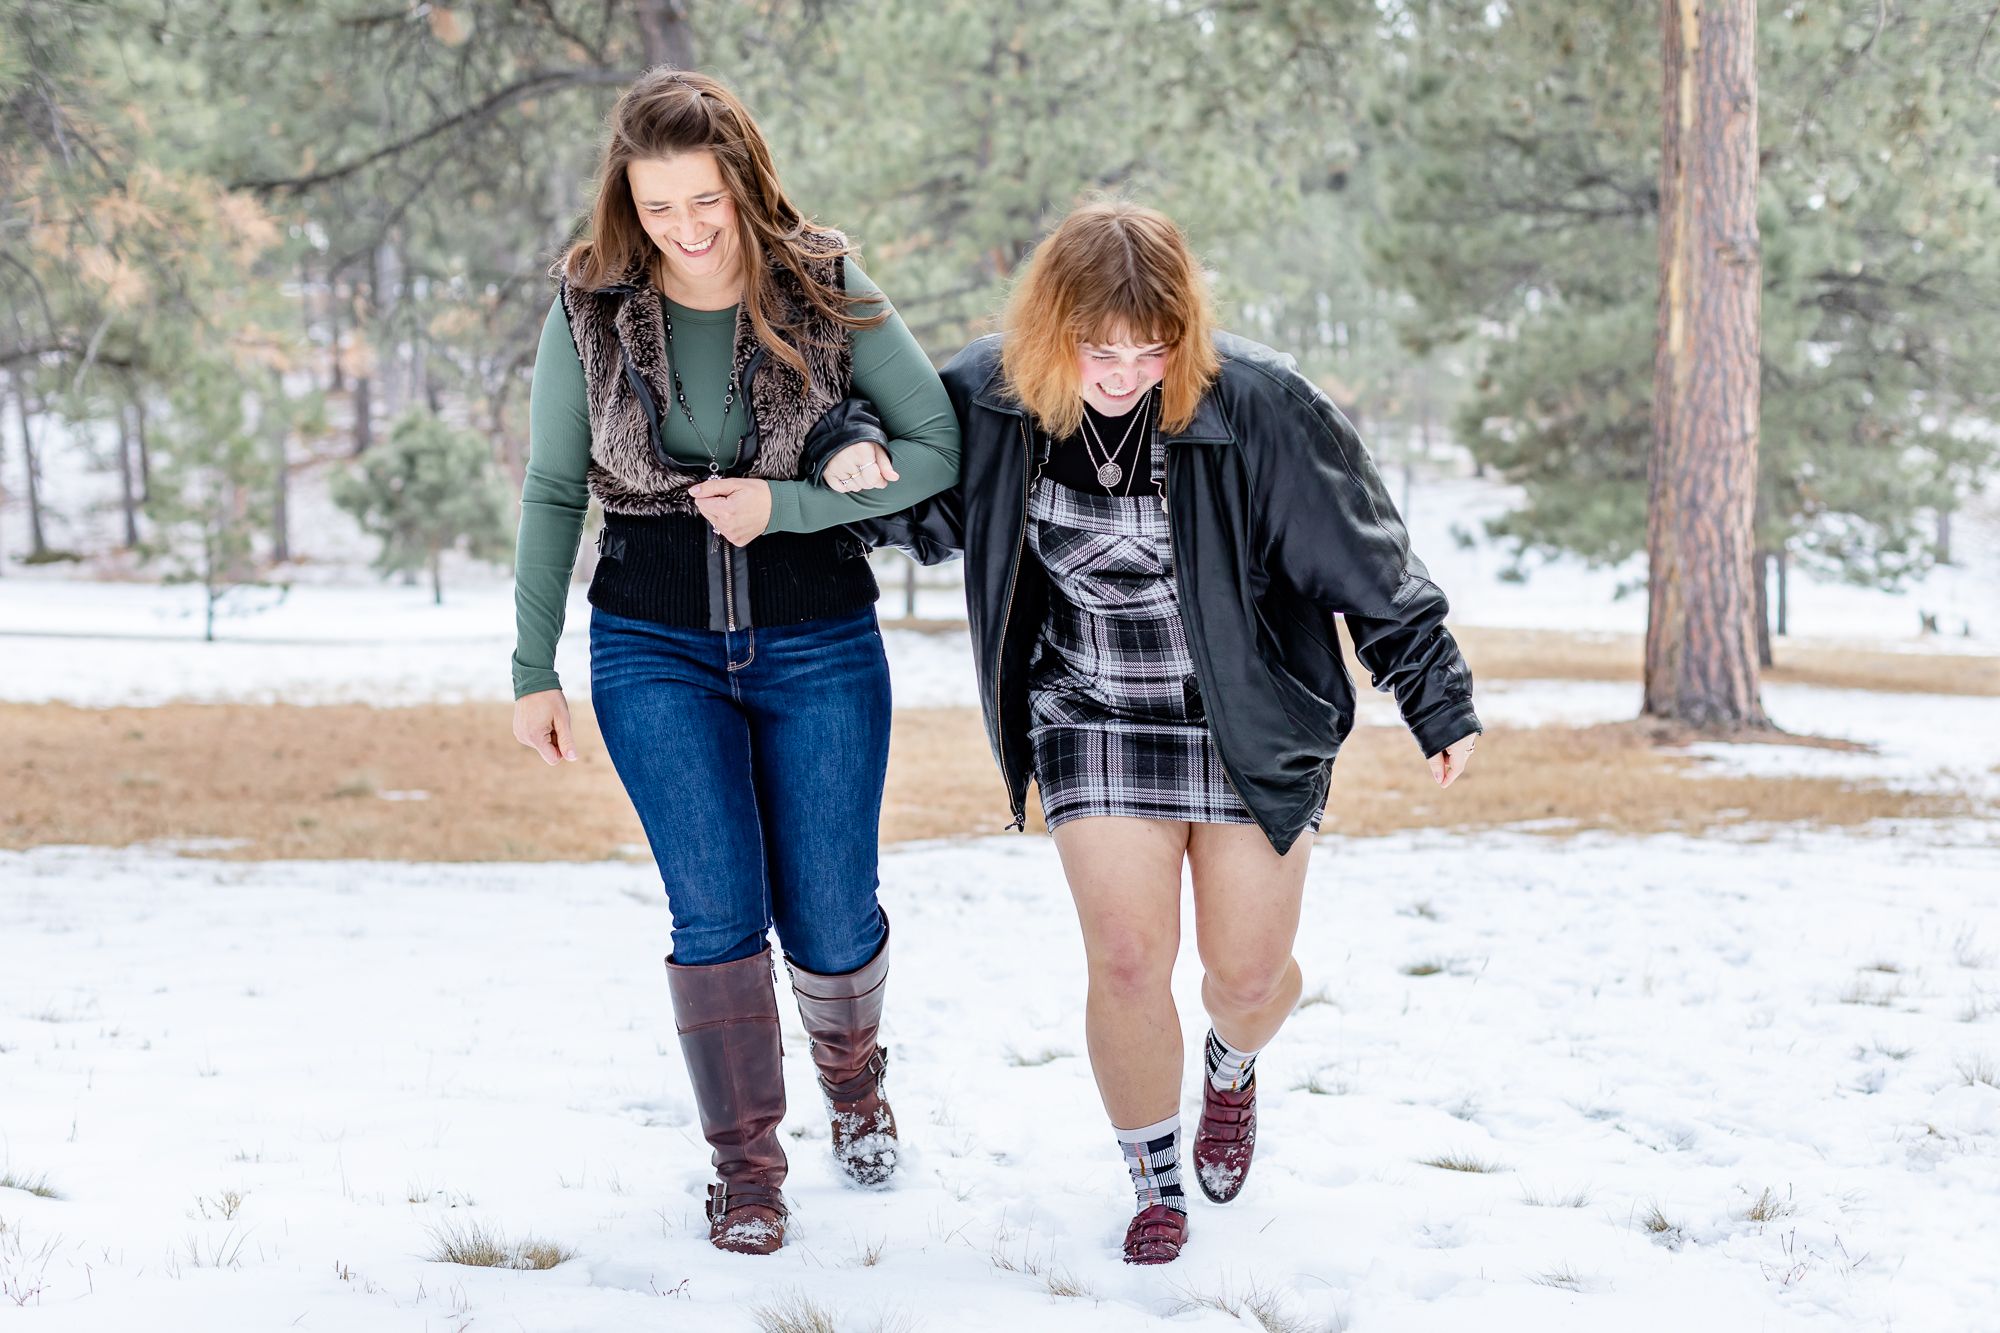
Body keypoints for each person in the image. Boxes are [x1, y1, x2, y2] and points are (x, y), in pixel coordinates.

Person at [815, 201, 1480, 1264]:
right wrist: (844, 442)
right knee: (1127, 958)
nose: (1122, 374)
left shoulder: (1259, 406)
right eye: (1095, 349)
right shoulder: (994, 395)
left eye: (1148, 349)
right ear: (1047, 332)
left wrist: (1433, 694)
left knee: (1247, 975)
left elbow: (1368, 563)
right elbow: (903, 473)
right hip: (1089, 707)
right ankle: (1152, 1179)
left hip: (1248, 716)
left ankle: (1228, 1063)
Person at [508, 68, 960, 1255]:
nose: (686, 230)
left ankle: (853, 1082)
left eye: (704, 201)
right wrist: (529, 666)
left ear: (743, 184)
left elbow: (935, 447)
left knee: (827, 911)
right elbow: (557, 486)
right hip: (650, 642)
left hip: (816, 640)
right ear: (627, 201)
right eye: (658, 209)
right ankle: (747, 1169)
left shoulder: (818, 281)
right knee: (713, 910)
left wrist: (795, 506)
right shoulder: (587, 304)